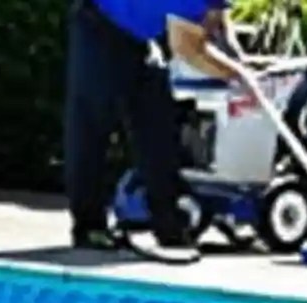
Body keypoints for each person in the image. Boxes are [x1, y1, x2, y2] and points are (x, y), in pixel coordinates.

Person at [64, 0, 244, 264]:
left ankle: (170, 228)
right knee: (92, 127)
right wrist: (239, 74)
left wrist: (240, 61)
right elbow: (190, 48)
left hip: (142, 37)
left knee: (157, 128)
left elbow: (216, 25)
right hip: (100, 22)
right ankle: (89, 227)